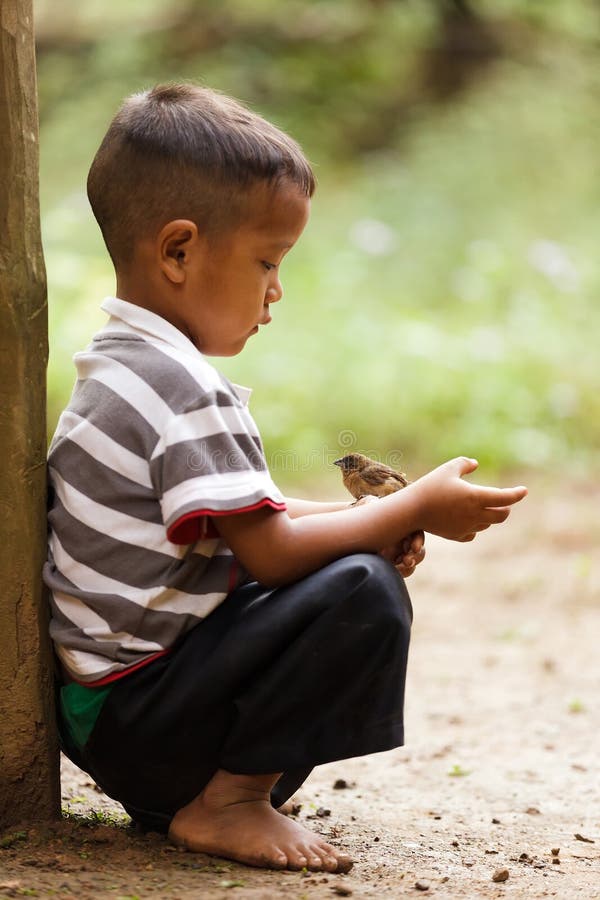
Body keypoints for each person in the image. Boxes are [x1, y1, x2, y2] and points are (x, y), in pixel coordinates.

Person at [44, 83, 527, 874]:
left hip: (113, 720)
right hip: (147, 726)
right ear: (178, 251)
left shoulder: (117, 369)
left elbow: (249, 518)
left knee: (347, 563)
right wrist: (411, 507)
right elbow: (268, 553)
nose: (277, 290)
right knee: (363, 590)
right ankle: (228, 802)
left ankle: (223, 793)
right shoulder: (185, 390)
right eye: (267, 261)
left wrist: (381, 518)